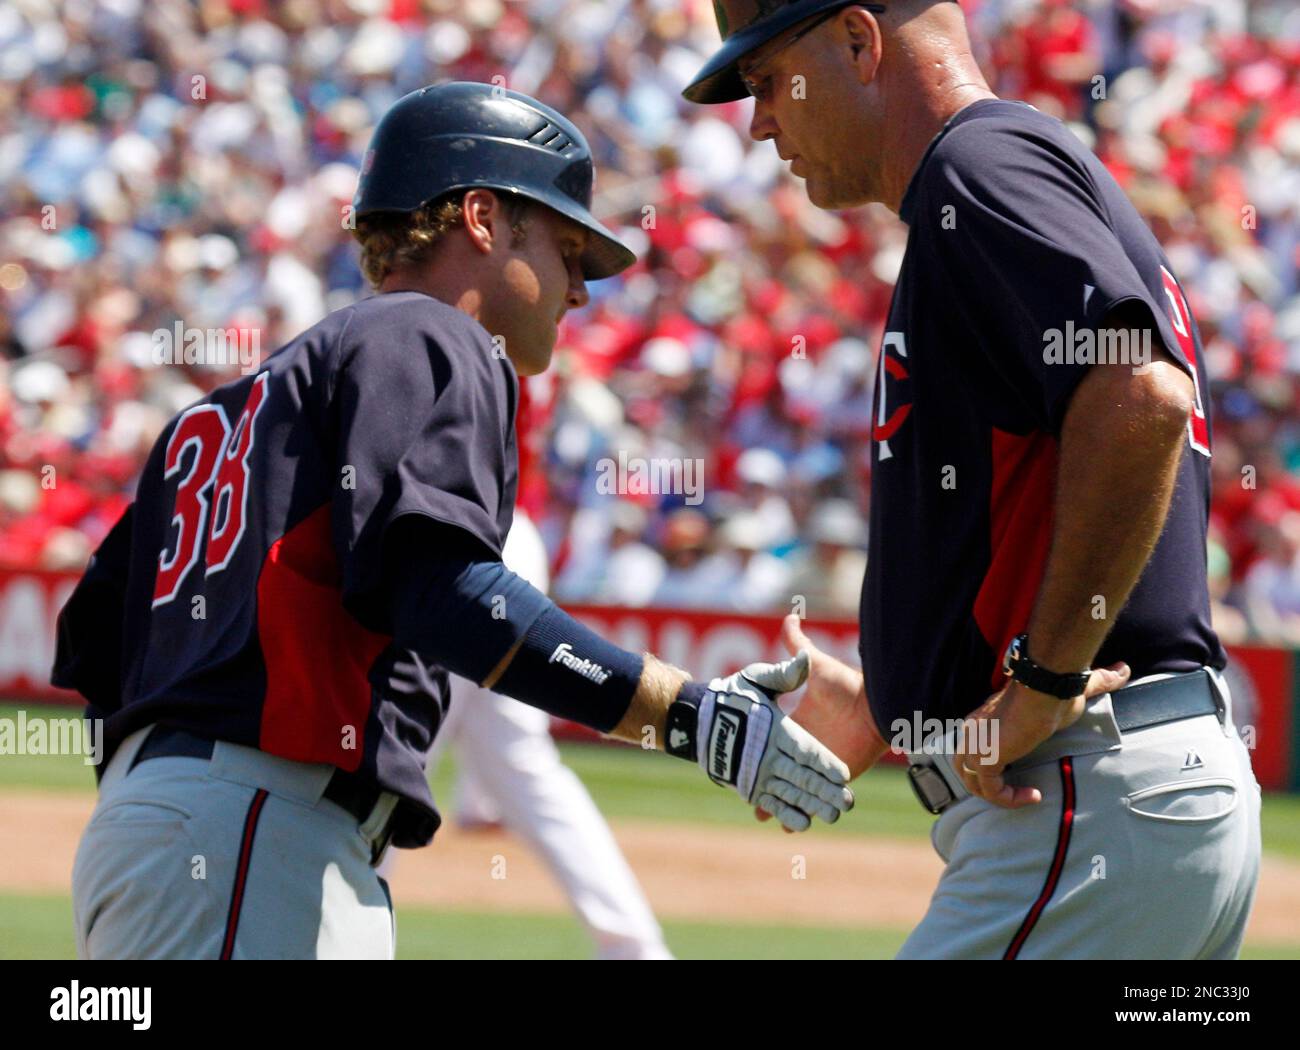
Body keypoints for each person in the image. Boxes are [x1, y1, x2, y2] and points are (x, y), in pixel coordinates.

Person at [52, 81, 853, 960]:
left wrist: (169, 807)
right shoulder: (433, 335)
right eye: (566, 247)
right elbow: (445, 590)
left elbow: (94, 640)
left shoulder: (227, 408)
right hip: (257, 831)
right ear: (481, 216)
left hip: (165, 833)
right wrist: (689, 713)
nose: (579, 291)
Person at [684, 1, 1260, 959]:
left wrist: (1041, 678)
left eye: (767, 80)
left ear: (861, 41)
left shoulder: (975, 168)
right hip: (1141, 800)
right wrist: (889, 702)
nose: (759, 121)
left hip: (1085, 800)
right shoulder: (1011, 171)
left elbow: (1141, 394)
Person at [416, 511, 673, 960]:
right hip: (509, 536)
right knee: (522, 765)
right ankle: (634, 948)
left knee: (394, 760)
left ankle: (343, 942)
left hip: (451, 536)